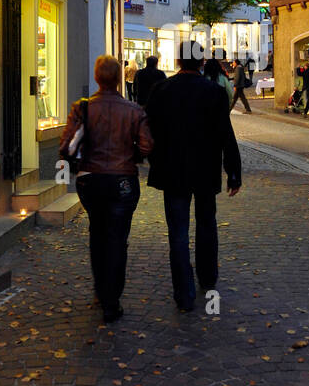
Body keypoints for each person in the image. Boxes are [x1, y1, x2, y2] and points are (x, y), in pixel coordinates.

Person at [146, 40, 242, 313]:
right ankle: (208, 277)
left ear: (178, 62)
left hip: (173, 171)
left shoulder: (161, 90)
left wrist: (155, 161)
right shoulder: (213, 92)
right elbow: (226, 134)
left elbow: (148, 132)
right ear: (201, 62)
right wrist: (233, 172)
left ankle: (184, 293)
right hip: (205, 169)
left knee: (177, 232)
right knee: (206, 224)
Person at [59, 55, 153, 324]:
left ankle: (102, 292)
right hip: (123, 181)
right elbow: (147, 146)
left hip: (91, 180)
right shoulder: (134, 110)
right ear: (119, 77)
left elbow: (66, 146)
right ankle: (113, 298)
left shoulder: (83, 108)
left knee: (98, 234)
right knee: (117, 238)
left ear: (97, 77)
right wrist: (131, 154)